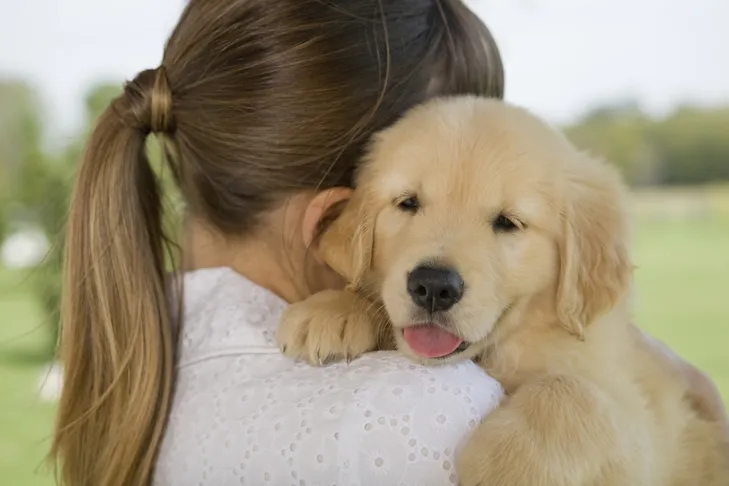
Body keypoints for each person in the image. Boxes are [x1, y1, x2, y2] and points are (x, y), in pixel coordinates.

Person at [50, 1, 728, 485]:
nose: (438, 258)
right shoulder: (419, 427)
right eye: (408, 202)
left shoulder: (151, 343)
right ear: (338, 221)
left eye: (506, 221)